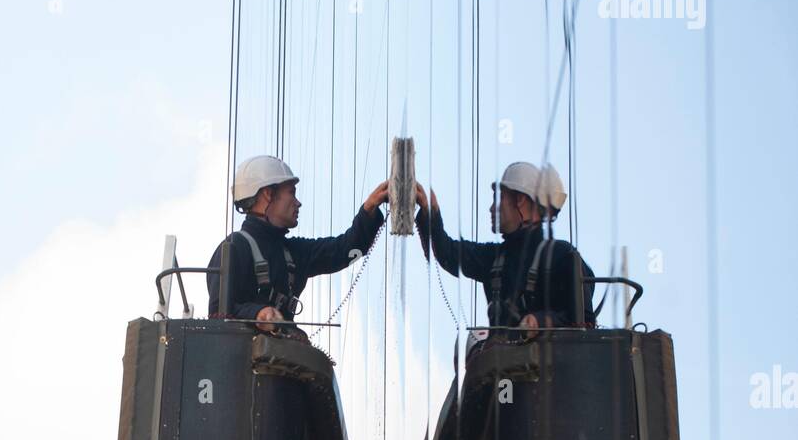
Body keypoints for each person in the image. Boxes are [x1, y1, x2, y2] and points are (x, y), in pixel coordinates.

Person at [415, 162, 595, 357]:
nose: (492, 208)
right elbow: (447, 253)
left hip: (549, 373)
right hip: (503, 372)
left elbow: (582, 322)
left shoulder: (562, 255)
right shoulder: (494, 258)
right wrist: (428, 213)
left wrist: (540, 321)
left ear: (520, 200)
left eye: (498, 198)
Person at [207, 156, 389, 333]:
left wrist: (369, 210)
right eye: (292, 193)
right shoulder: (233, 248)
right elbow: (219, 315)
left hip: (282, 355)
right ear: (268, 194)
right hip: (245, 356)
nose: (298, 203)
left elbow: (346, 250)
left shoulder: (294, 252)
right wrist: (257, 314)